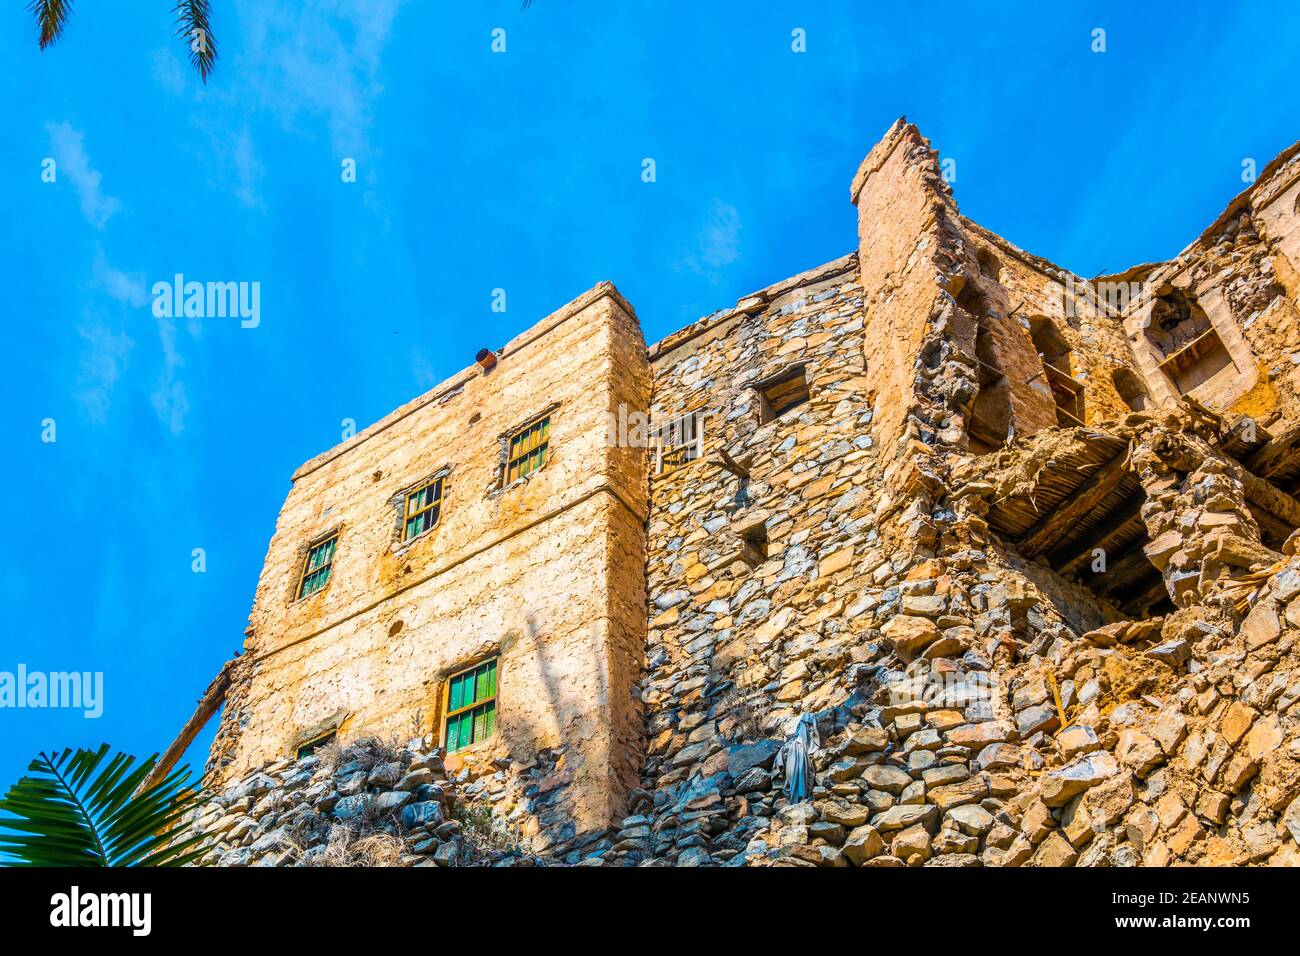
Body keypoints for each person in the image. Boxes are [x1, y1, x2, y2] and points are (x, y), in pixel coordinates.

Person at [772, 712, 819, 804]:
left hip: (797, 748)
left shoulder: (800, 739)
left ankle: (797, 795)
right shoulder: (796, 740)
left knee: (799, 771)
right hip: (795, 749)